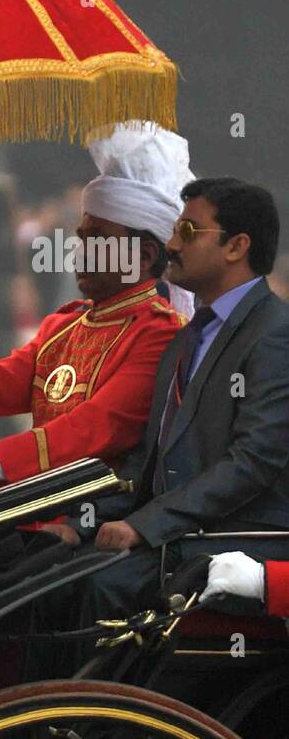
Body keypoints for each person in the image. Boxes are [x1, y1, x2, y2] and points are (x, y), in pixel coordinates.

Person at [0, 123, 189, 488]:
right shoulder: (64, 325)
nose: (80, 251)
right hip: (39, 509)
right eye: (81, 238)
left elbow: (96, 428)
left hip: (98, 522)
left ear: (146, 254)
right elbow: (5, 385)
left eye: (98, 240)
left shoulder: (161, 333)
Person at [69, 177, 288, 617]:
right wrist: (77, 524)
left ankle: (75, 691)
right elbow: (146, 465)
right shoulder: (185, 339)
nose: (171, 244)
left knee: (93, 588)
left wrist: (144, 525)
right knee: (45, 571)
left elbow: (253, 462)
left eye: (187, 231)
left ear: (236, 246)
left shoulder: (275, 334)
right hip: (178, 537)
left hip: (237, 543)